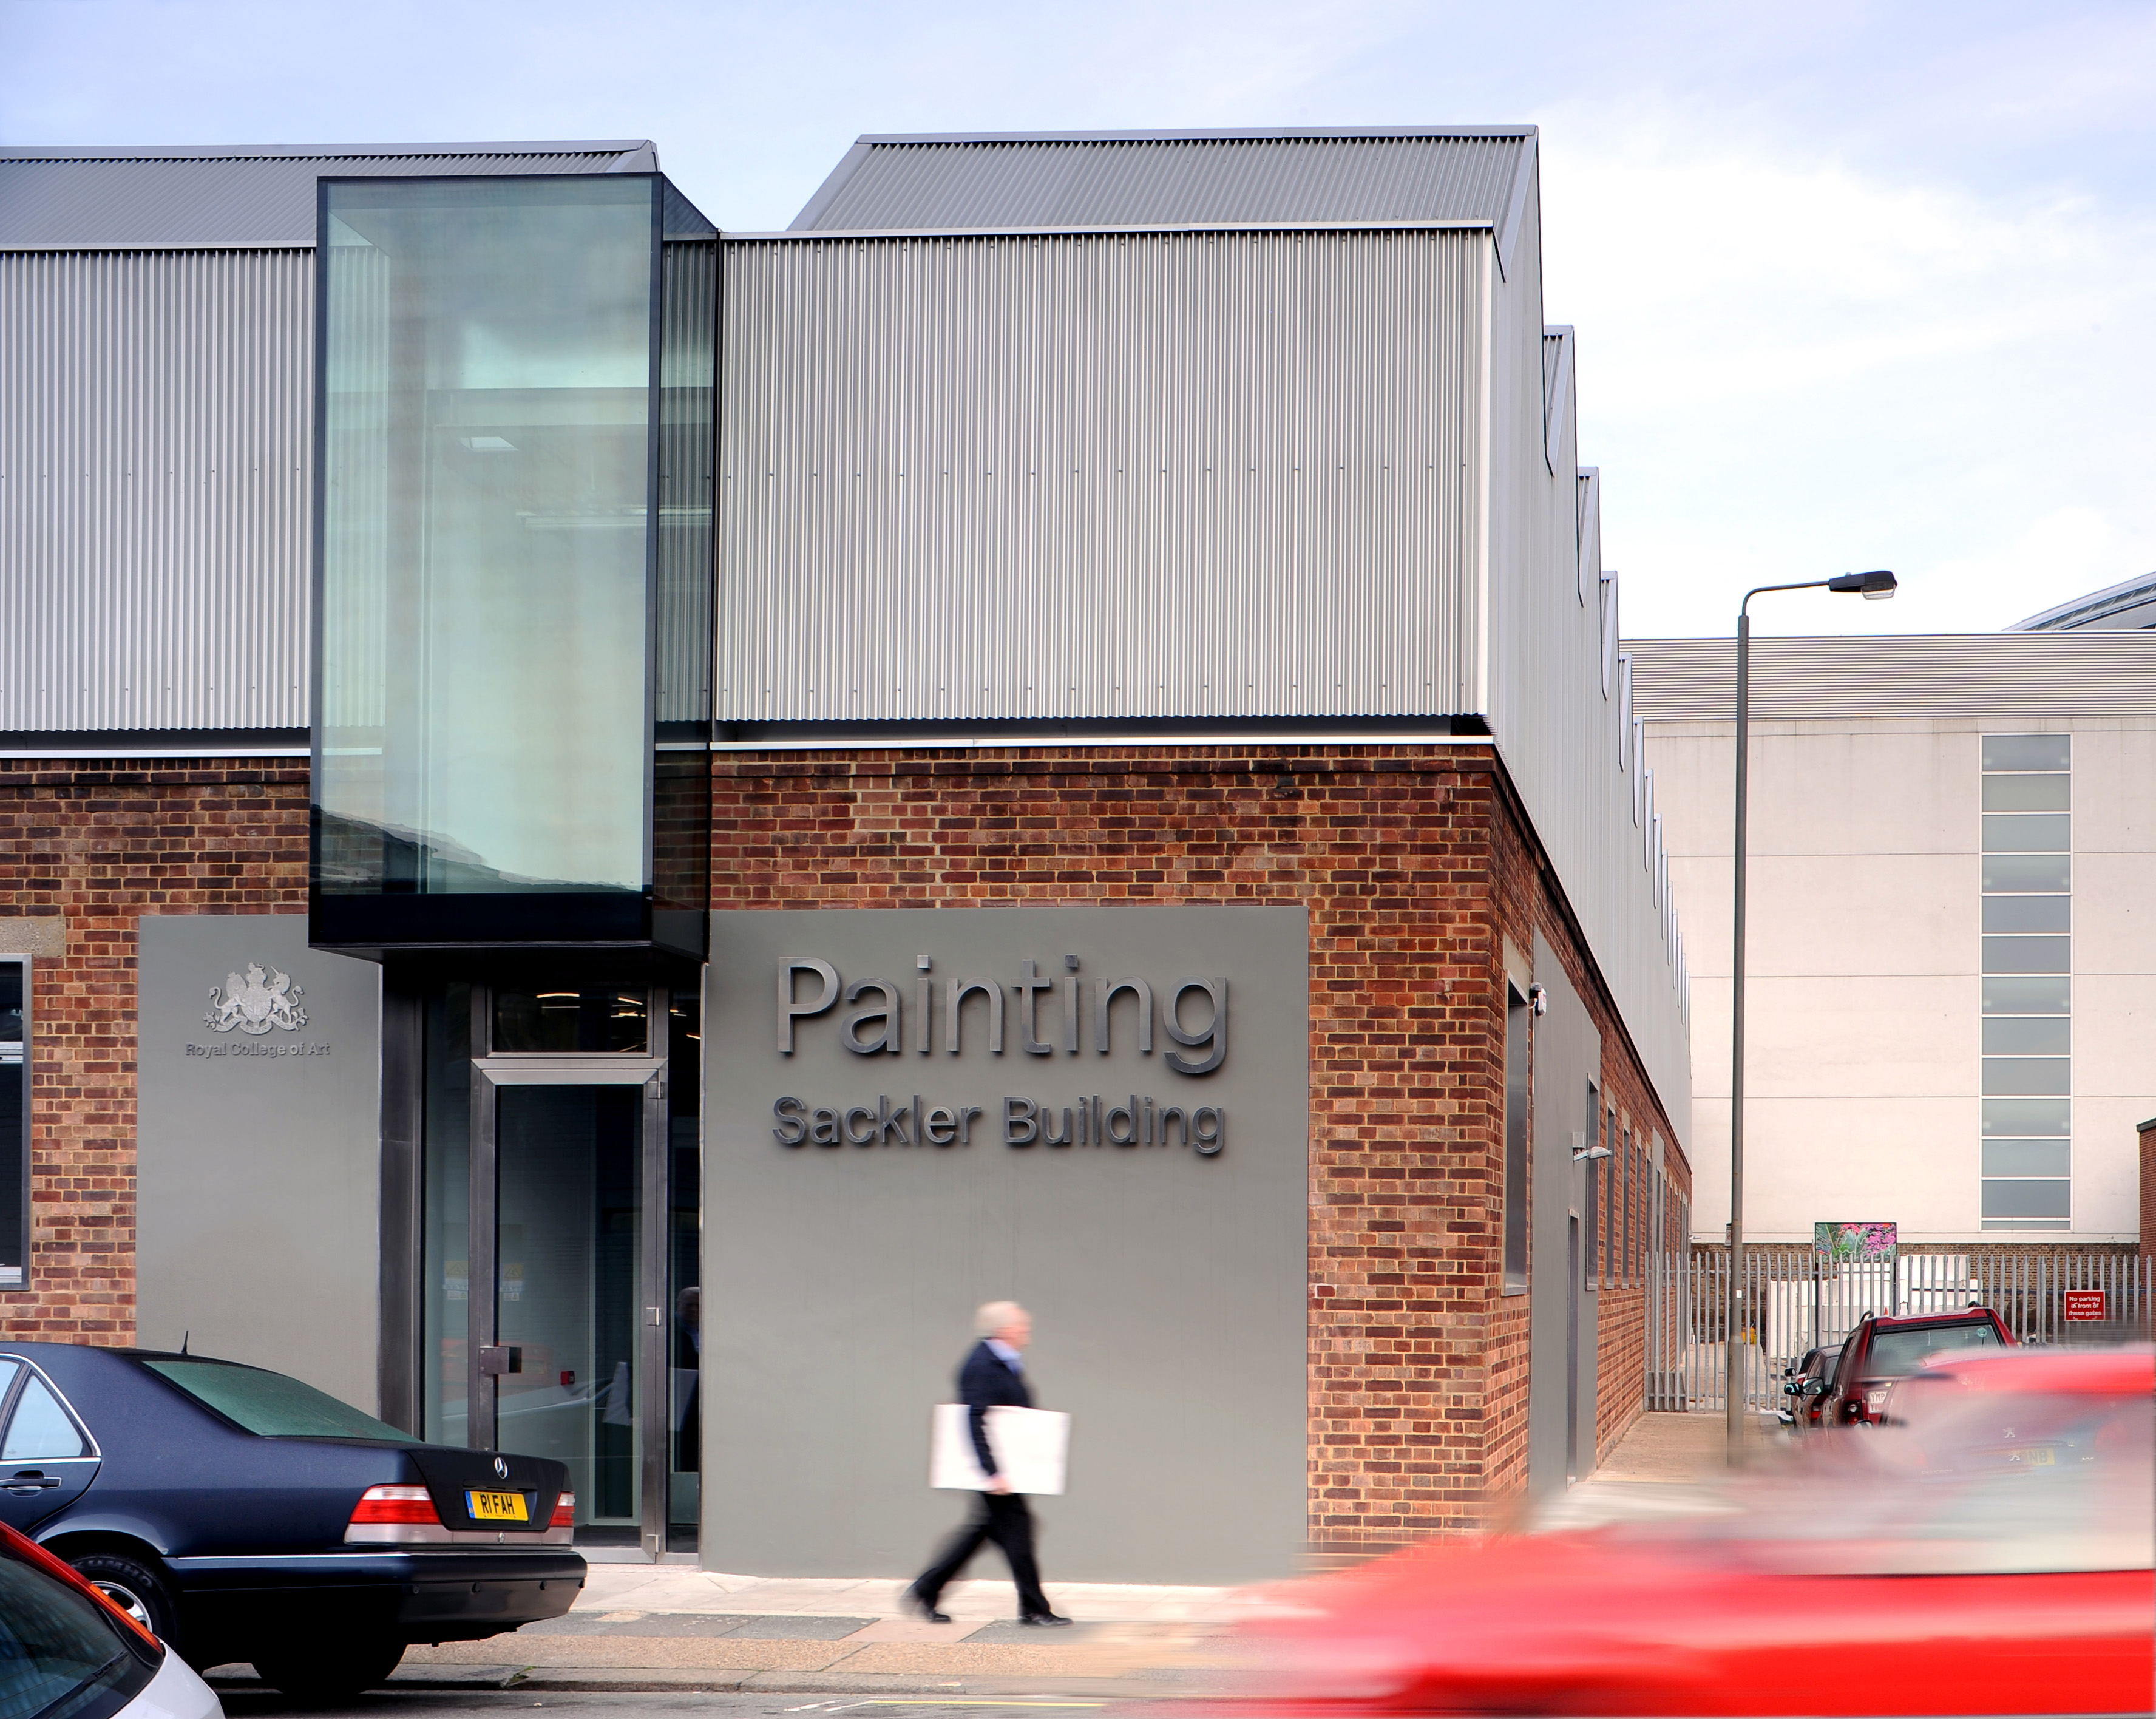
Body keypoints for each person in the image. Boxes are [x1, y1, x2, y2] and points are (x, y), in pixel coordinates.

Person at [906, 1301, 1072, 1626]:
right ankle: (1034, 1609)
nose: (1027, 1331)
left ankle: (927, 1587)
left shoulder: (1002, 1361)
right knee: (1018, 1533)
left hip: (1007, 1470)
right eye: (1022, 1326)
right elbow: (976, 1419)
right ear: (1005, 1330)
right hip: (998, 1473)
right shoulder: (982, 1364)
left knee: (988, 1530)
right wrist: (992, 1472)